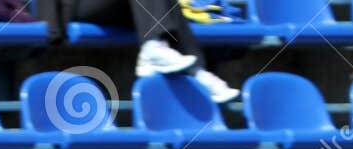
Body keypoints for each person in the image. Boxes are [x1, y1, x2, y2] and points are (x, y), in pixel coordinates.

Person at [44, 0, 239, 103]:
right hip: (77, 6)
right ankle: (151, 48)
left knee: (170, 3)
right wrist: (52, 30)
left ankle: (196, 70)